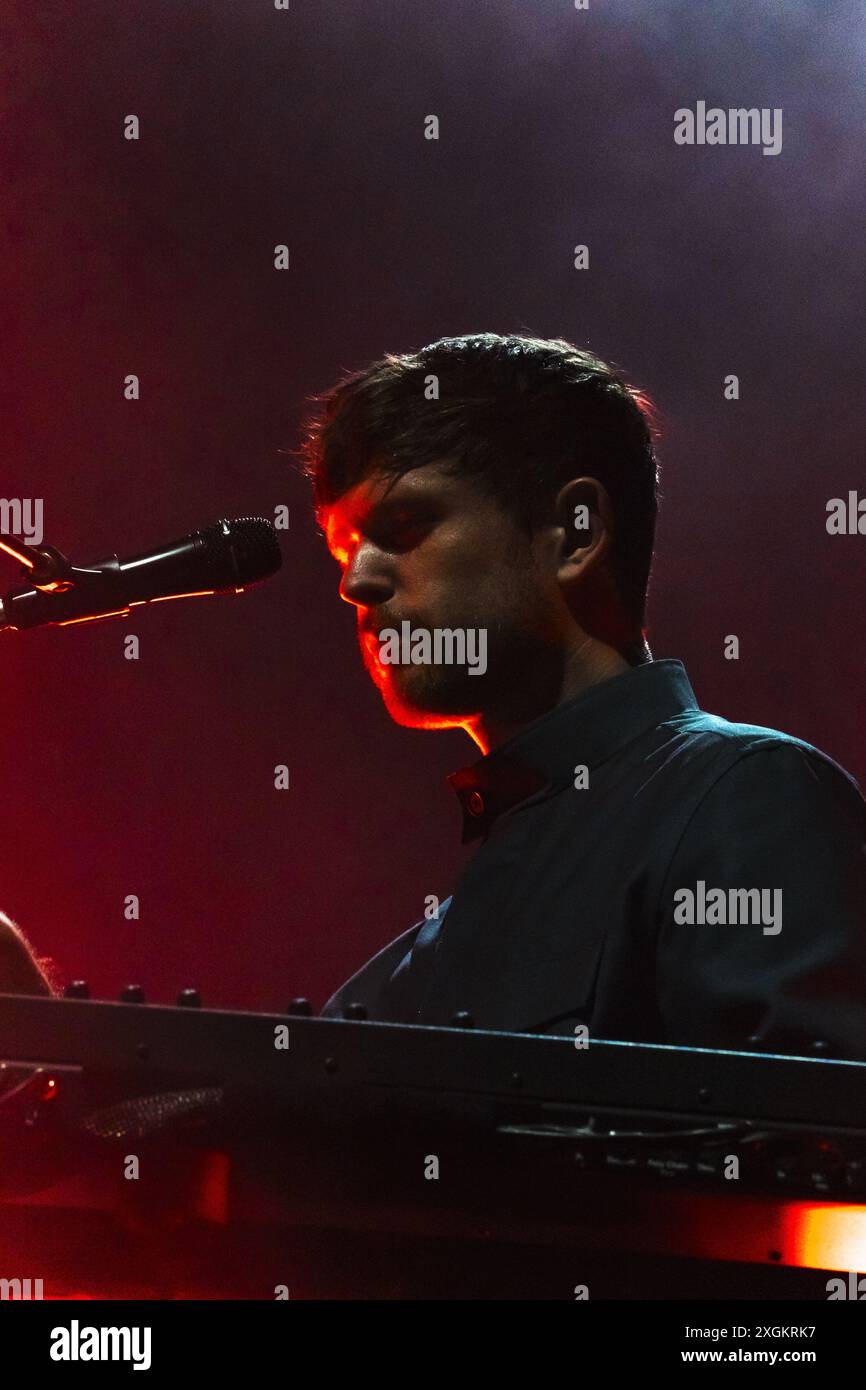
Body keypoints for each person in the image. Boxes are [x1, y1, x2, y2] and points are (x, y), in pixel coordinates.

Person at [302, 331, 866, 1058]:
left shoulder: (747, 796)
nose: (356, 583)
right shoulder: (407, 972)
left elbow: (811, 1160)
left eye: (406, 526)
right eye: (344, 552)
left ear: (576, 533)